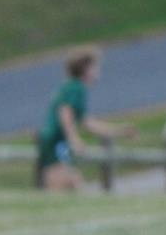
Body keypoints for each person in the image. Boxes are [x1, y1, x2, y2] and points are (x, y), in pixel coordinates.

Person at [37, 47, 135, 193]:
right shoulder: (76, 87)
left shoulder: (74, 87)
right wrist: (73, 139)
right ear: (85, 68)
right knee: (61, 183)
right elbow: (65, 111)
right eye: (95, 67)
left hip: (56, 141)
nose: (98, 71)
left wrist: (118, 131)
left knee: (74, 182)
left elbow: (88, 123)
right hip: (56, 141)